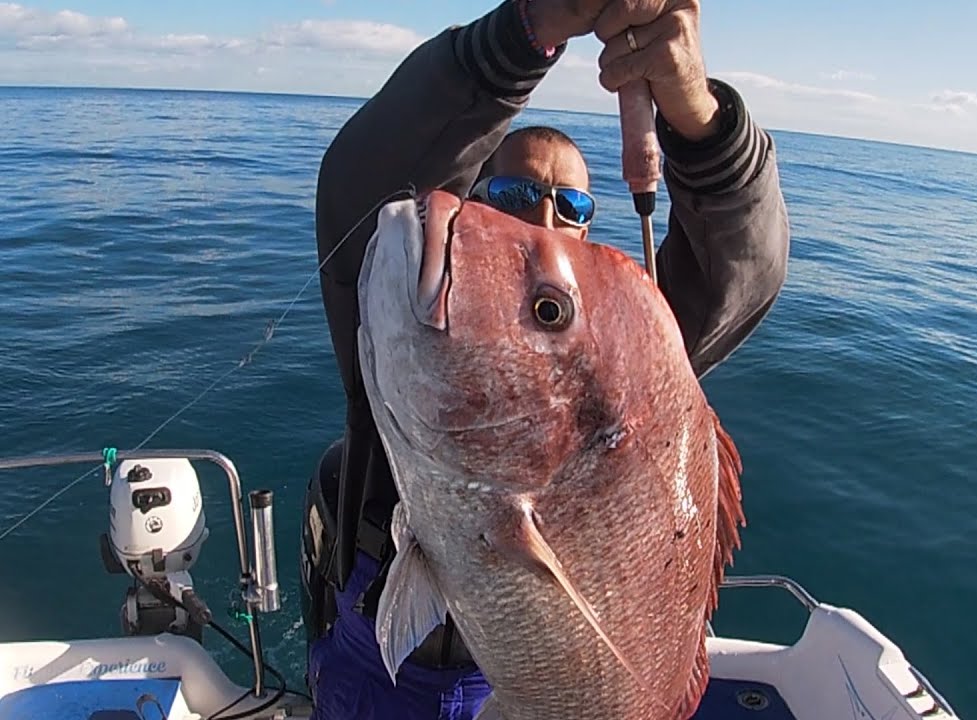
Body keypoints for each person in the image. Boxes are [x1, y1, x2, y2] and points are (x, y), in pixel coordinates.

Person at [297, 0, 791, 717]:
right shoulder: (409, 317)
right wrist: (528, 30)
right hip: (380, 671)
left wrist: (697, 114)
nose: (544, 220)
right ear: (472, 188)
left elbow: (747, 272)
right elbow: (365, 180)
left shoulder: (627, 364)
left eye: (573, 208)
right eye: (514, 194)